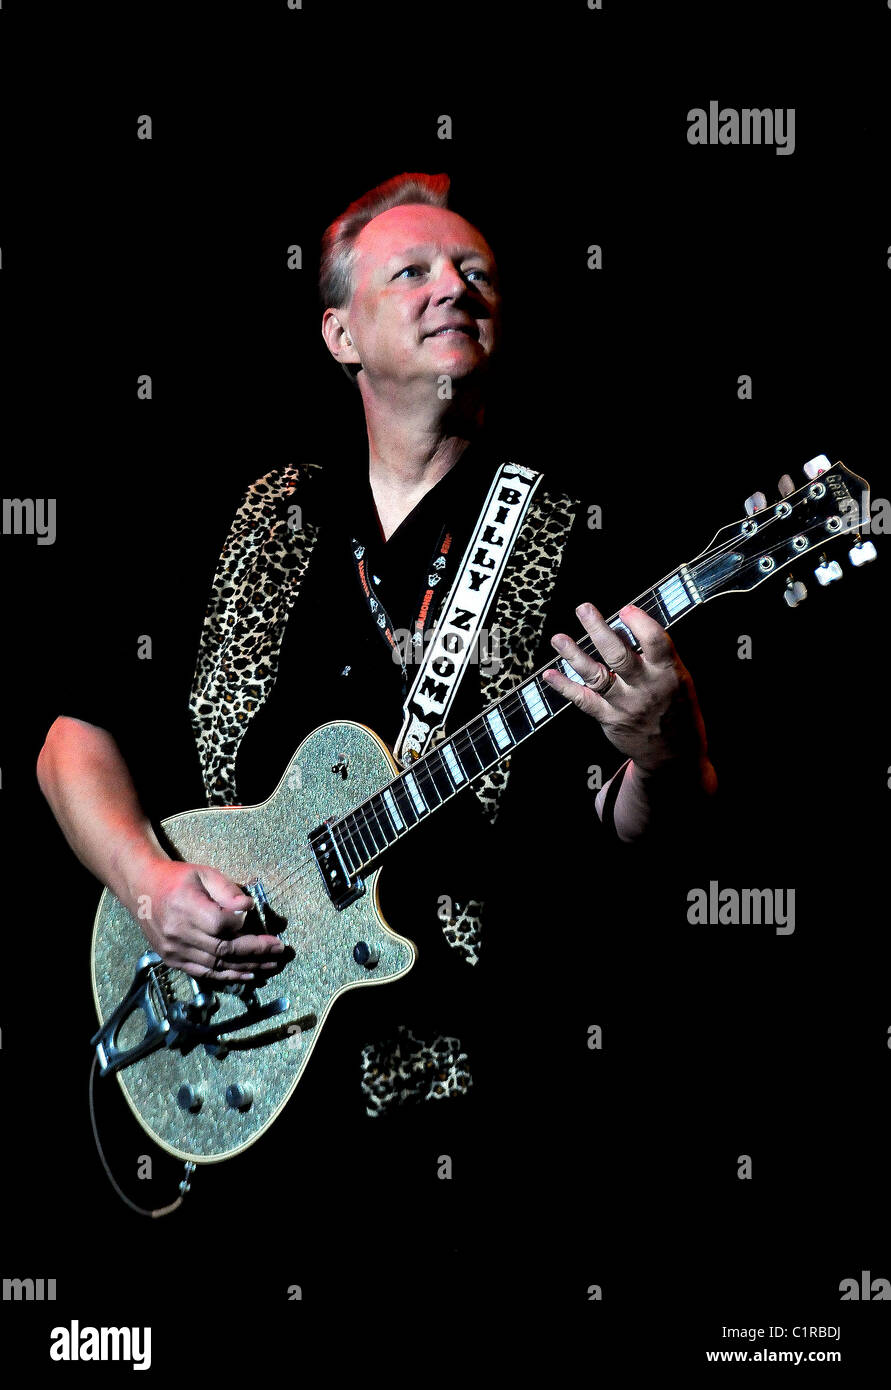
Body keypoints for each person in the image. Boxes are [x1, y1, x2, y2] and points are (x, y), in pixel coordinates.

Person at [37, 172, 721, 1245]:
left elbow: (626, 831)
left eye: (476, 271)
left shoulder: (576, 531)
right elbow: (71, 740)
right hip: (240, 1066)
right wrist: (148, 879)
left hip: (476, 1105)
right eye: (413, 271)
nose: (453, 286)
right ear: (340, 334)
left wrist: (665, 753)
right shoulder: (250, 512)